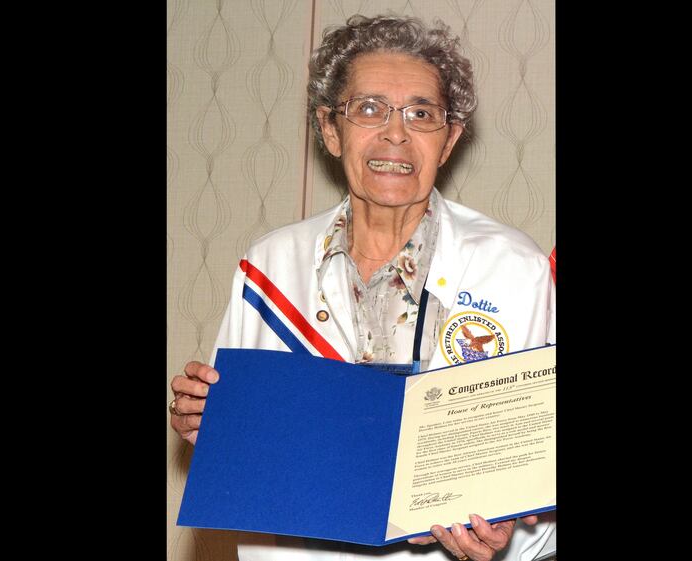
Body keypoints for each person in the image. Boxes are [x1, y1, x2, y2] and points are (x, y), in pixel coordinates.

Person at [170, 14, 556, 561]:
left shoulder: (514, 268)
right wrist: (209, 424)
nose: (395, 133)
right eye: (369, 109)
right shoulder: (268, 266)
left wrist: (509, 538)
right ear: (330, 129)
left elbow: (542, 482)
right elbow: (244, 449)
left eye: (421, 114)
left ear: (449, 141)